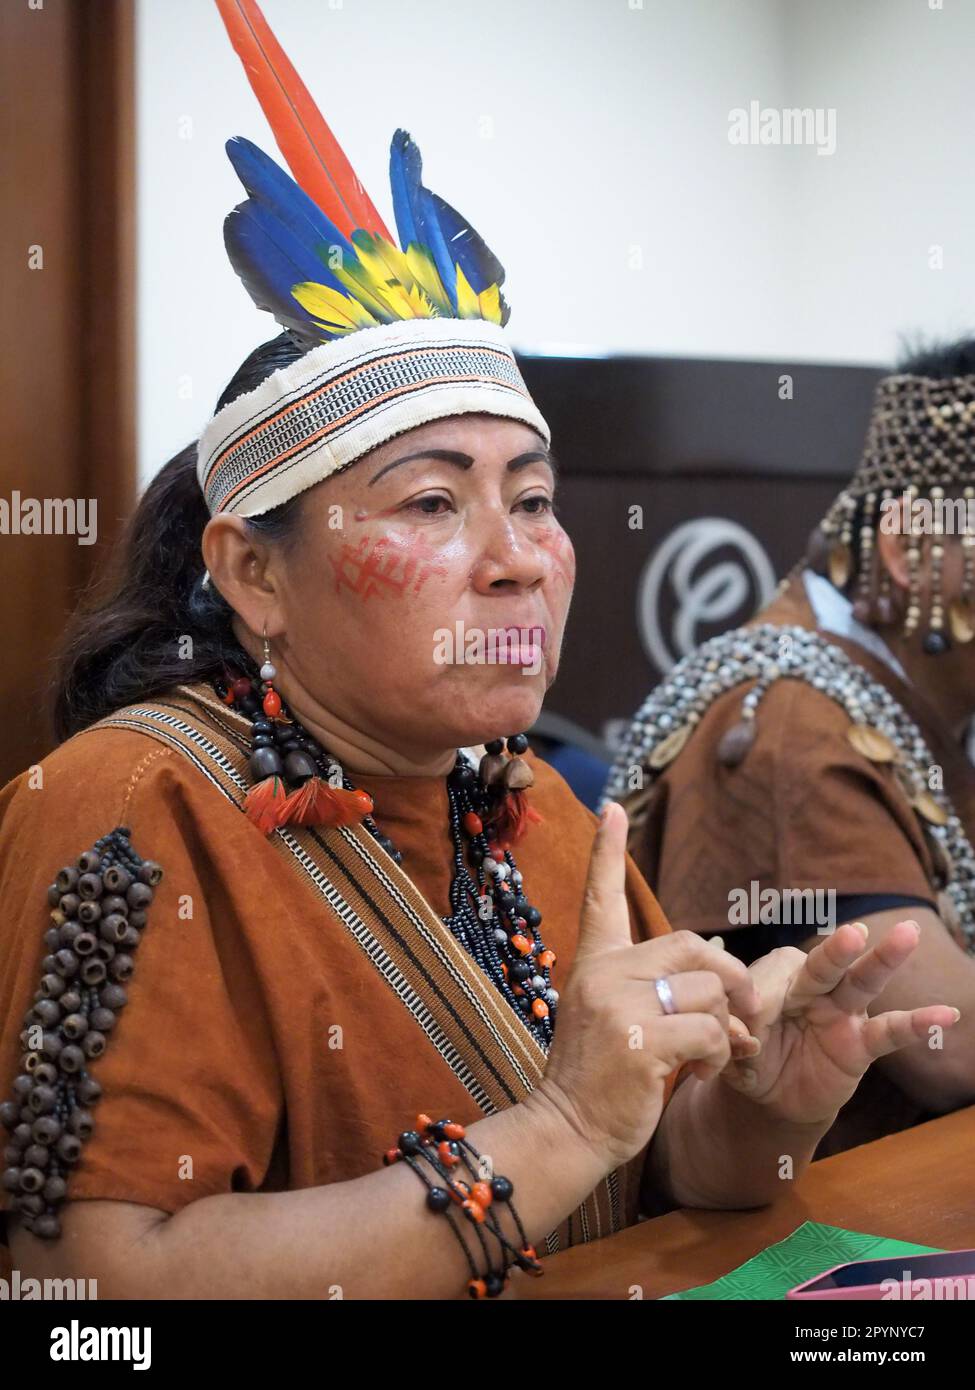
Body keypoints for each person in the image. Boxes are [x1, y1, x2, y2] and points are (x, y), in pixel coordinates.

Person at [0, 0, 954, 1299]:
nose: (514, 555)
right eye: (432, 502)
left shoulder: (538, 801)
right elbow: (89, 1284)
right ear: (252, 571)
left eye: (536, 499)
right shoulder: (126, 809)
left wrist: (768, 1107)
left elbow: (651, 1155)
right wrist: (552, 1128)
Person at [608, 337, 975, 1157]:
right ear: (909, 551)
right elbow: (951, 1049)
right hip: (815, 1248)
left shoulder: (914, 700)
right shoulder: (787, 726)